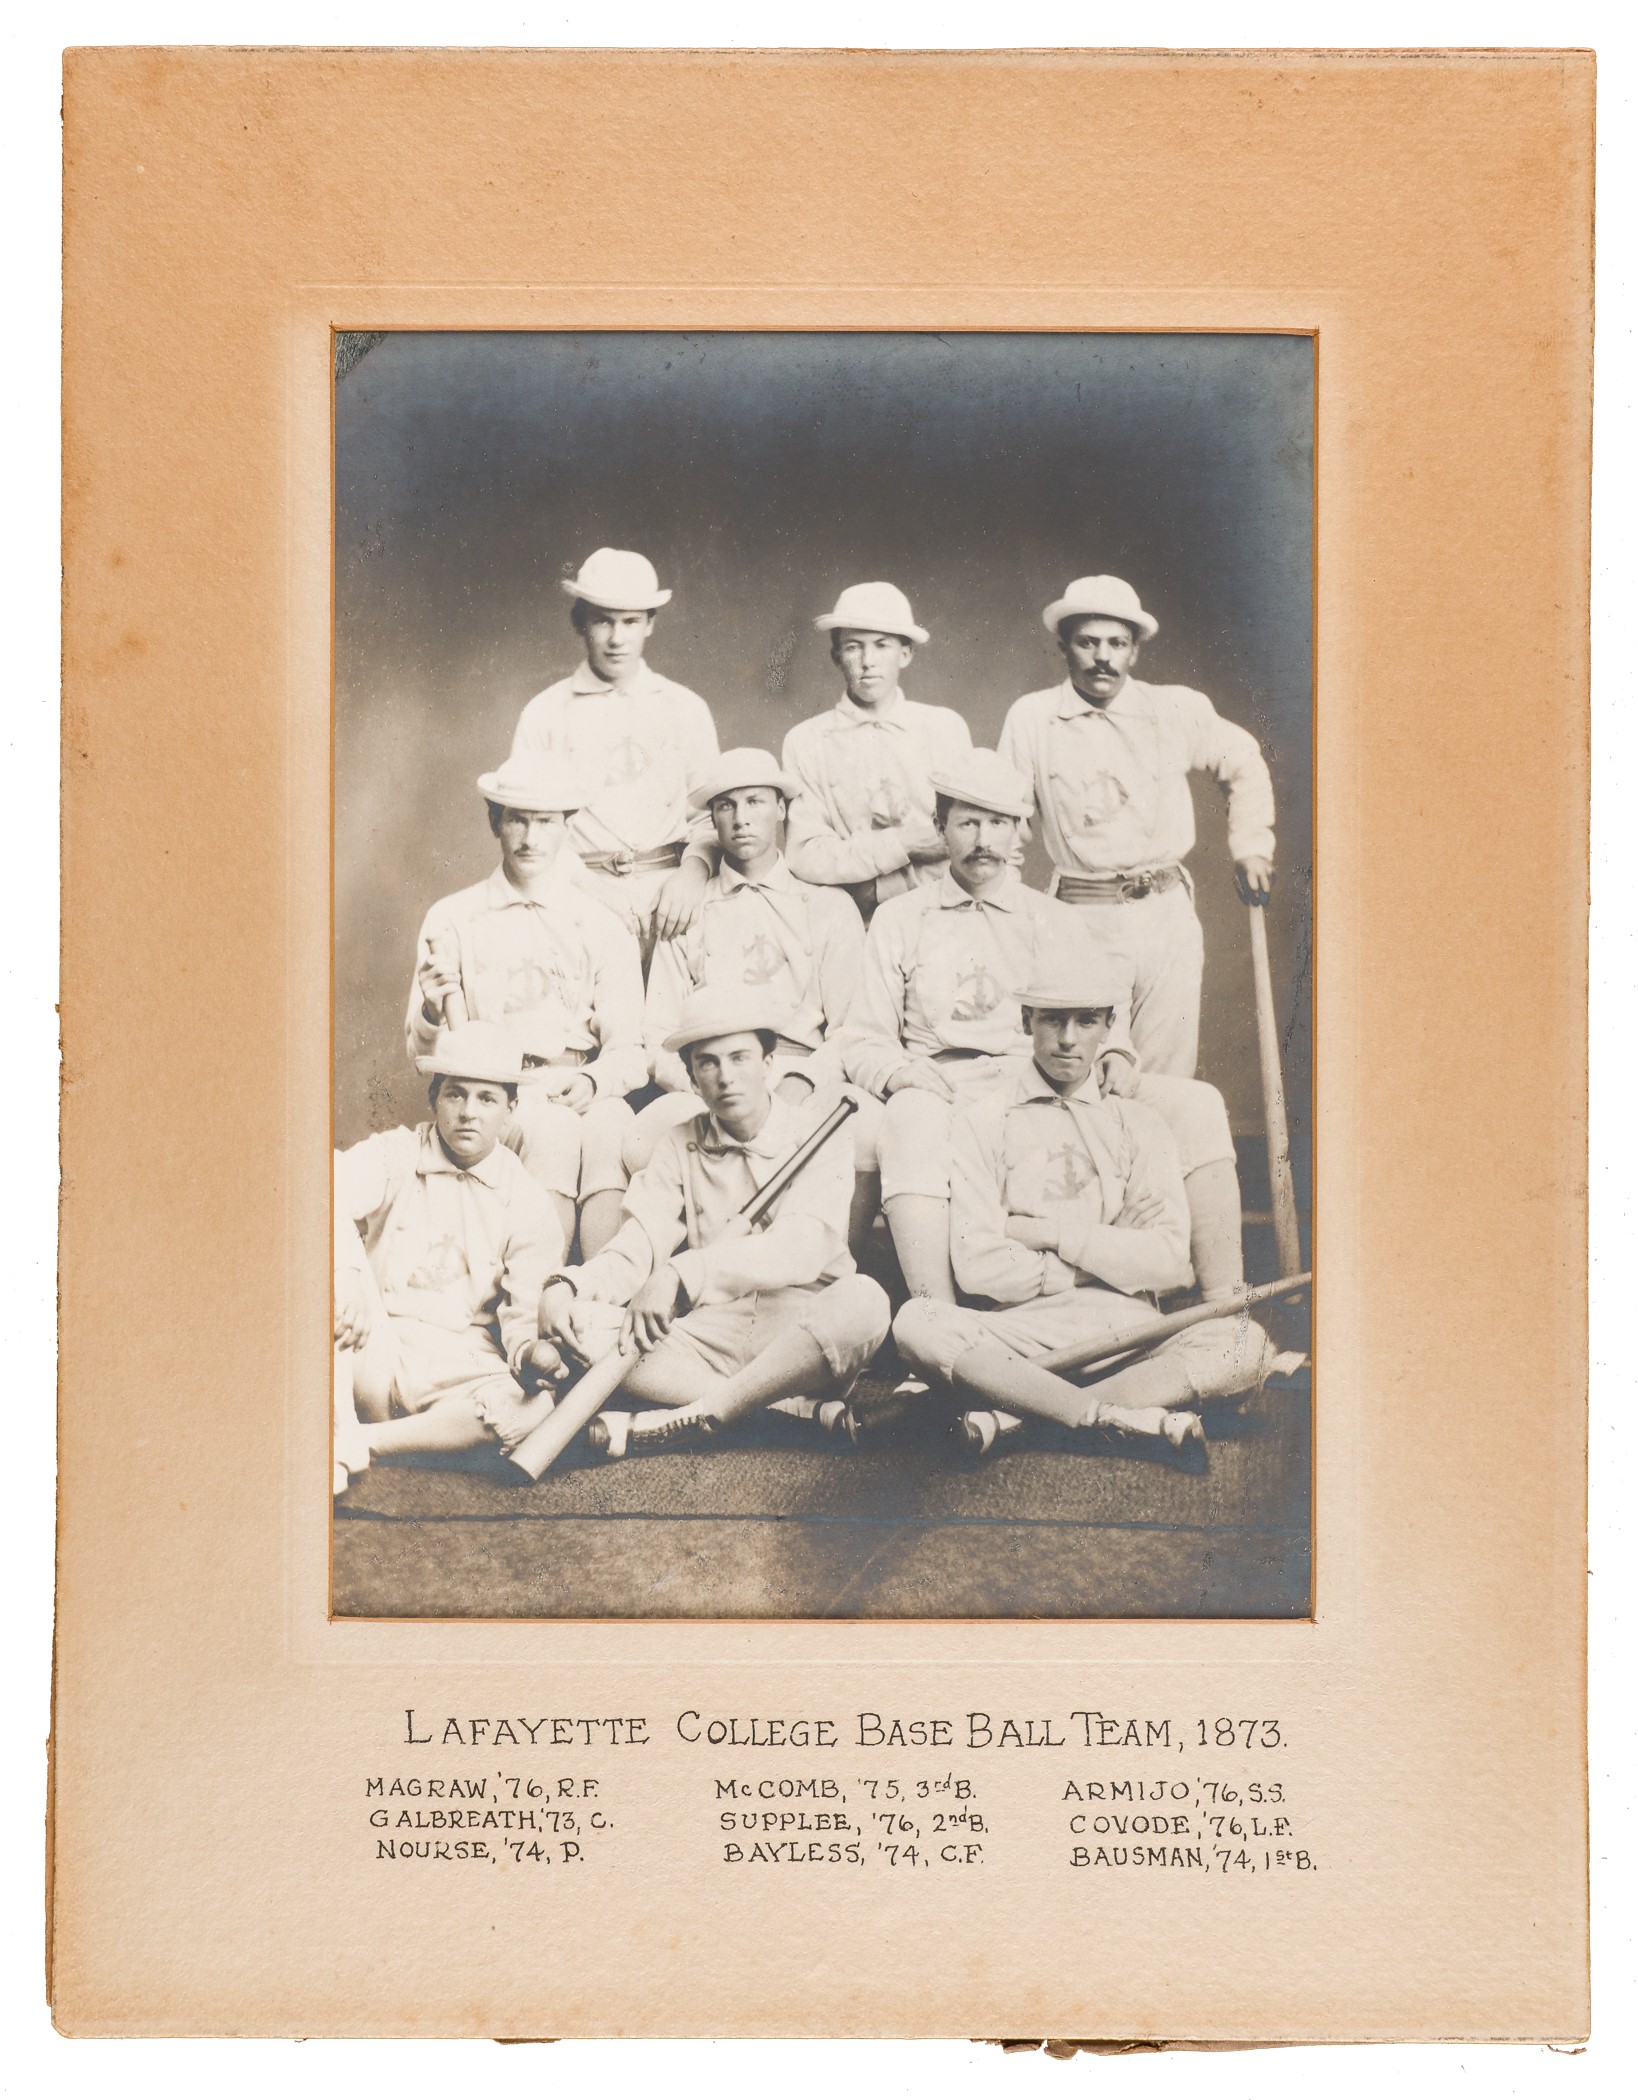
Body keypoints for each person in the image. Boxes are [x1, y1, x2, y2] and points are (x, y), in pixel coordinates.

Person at [842, 748, 1254, 1310]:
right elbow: (863, 1038)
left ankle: (1226, 1306)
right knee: (908, 1118)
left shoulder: (1054, 916)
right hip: (948, 1087)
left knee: (1197, 1103)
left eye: (998, 823)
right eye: (967, 823)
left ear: (1017, 832)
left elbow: (1099, 1011)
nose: (983, 840)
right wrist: (902, 1074)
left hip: (1045, 1077)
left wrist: (1115, 1053)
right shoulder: (900, 918)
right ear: (940, 827)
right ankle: (936, 1315)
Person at [891, 963, 1293, 1465]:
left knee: (1244, 1343)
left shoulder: (1140, 1123)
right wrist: (1110, 1249)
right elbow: (979, 1266)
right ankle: (1105, 1416)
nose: (1068, 1039)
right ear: (1025, 1021)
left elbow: (1170, 1263)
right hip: (1020, 1333)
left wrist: (1043, 1233)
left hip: (1132, 1331)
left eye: (1086, 1021)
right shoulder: (982, 1122)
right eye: (1052, 1020)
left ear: (1108, 1026)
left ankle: (1025, 1415)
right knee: (918, 1320)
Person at [537, 988, 891, 1458]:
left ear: (768, 1063)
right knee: (578, 1326)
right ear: (692, 1077)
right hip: (709, 1333)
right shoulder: (678, 1143)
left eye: (739, 1058)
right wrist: (568, 1285)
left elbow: (798, 1249)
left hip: (798, 1331)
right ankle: (782, 1414)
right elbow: (637, 1245)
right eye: (708, 1063)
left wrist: (681, 1273)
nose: (726, 1077)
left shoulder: (820, 1135)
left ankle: (697, 1414)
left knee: (866, 1301)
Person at [998, 574, 1276, 1078]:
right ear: (1063, 646)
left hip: (1164, 916)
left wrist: (1251, 845)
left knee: (1165, 1075)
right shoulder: (1033, 718)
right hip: (1078, 919)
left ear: (1135, 651)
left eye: (1117, 643)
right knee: (1085, 1074)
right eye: (1088, 642)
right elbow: (1006, 822)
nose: (1103, 657)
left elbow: (1243, 761)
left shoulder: (1174, 708)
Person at [629, 747, 883, 1251]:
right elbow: (657, 1033)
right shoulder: (688, 908)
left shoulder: (827, 907)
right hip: (711, 1079)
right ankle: (698, 1276)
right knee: (645, 1134)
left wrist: (798, 1082)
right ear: (712, 818)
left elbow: (852, 1028)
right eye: (726, 805)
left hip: (801, 1077)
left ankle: (829, 1272)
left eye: (756, 802)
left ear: (782, 808)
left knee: (868, 1127)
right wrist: (705, 1088)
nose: (741, 818)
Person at [407, 754, 646, 1257]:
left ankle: (599, 1291)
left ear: (567, 828)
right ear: (495, 822)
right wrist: (431, 1011)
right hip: (502, 1092)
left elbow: (629, 1048)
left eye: (546, 822)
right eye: (517, 820)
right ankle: (538, 1288)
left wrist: (593, 1081)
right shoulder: (454, 917)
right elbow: (422, 1051)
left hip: (581, 1084)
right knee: (553, 1132)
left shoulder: (600, 923)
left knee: (612, 1128)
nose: (531, 838)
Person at [332, 1022, 563, 1495]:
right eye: (456, 1094)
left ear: (510, 1109)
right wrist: (347, 1276)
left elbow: (521, 1319)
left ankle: (360, 1441)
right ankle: (346, 1426)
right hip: (371, 1341)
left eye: (487, 1099)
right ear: (434, 1098)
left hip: (455, 1357)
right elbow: (323, 1185)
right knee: (327, 1277)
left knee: (534, 1408)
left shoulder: (527, 1201)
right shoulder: (397, 1153)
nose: (468, 1113)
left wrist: (528, 1357)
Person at [509, 547, 718, 951]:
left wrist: (694, 872)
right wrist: (591, 889)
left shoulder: (685, 708)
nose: (617, 639)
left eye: (631, 621)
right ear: (580, 622)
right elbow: (528, 825)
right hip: (577, 897)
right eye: (603, 621)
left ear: (650, 624)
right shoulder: (545, 712)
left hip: (673, 902)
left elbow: (710, 816)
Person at [781, 581, 971, 922]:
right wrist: (904, 844)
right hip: (854, 923)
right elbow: (806, 856)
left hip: (945, 917)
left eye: (882, 645)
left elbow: (963, 840)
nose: (868, 661)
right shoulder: (806, 741)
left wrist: (877, 887)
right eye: (853, 647)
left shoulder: (944, 728)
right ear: (836, 656)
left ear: (906, 653)